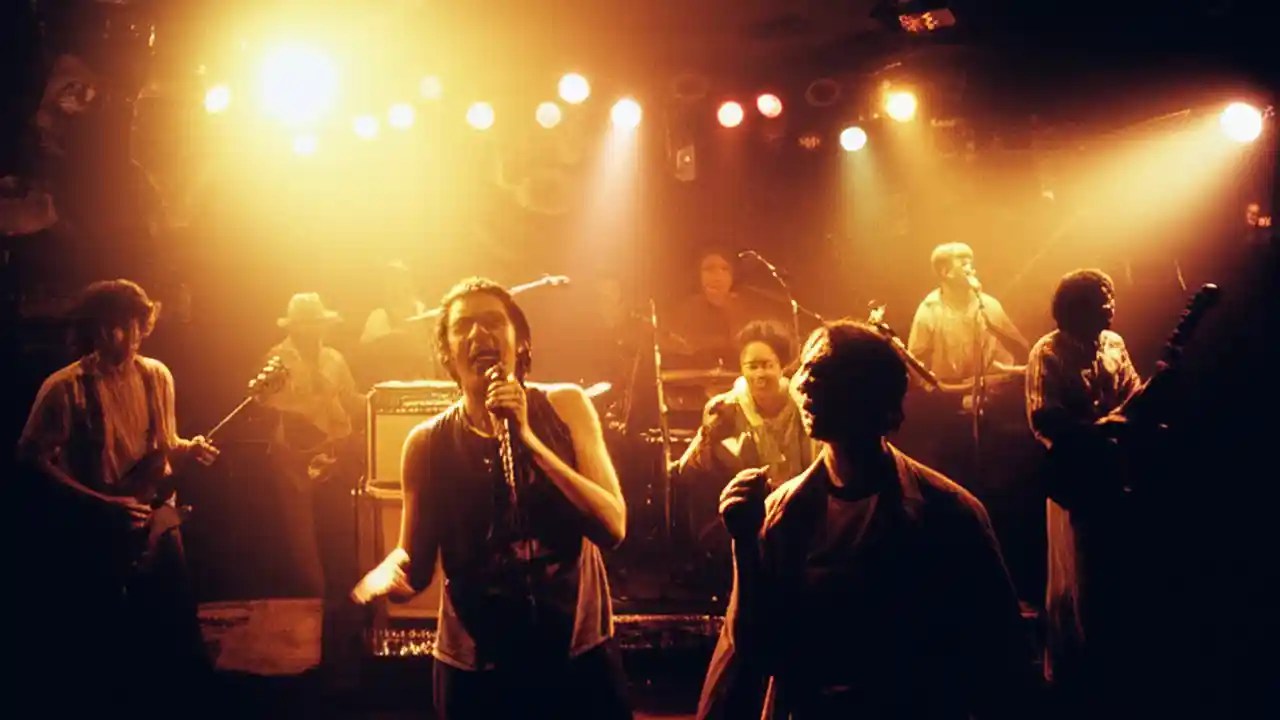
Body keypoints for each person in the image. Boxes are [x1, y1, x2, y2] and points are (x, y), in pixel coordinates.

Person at [709, 319, 1033, 719]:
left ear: (873, 397)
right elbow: (757, 648)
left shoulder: (949, 513)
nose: (805, 383)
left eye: (825, 372)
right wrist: (744, 542)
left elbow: (999, 656)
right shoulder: (782, 512)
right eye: (806, 369)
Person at [351, 277, 632, 720]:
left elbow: (612, 525)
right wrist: (386, 574)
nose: (479, 335)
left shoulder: (566, 407)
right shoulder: (427, 444)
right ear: (446, 352)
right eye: (463, 326)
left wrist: (528, 442)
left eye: (492, 322)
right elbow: (415, 568)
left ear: (520, 343)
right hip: (477, 666)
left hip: (578, 650)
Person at [15, 279, 219, 709]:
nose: (118, 338)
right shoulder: (64, 387)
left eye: (127, 326)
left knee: (176, 626)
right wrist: (99, 503)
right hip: (94, 530)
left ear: (144, 326)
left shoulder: (157, 376)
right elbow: (30, 458)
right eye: (107, 327)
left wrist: (189, 448)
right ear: (93, 329)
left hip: (157, 521)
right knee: (108, 642)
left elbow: (166, 442)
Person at [1025, 269, 1146, 716]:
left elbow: (1133, 395)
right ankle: (1075, 680)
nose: (1111, 305)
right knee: (1077, 578)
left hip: (1116, 476)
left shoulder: (1114, 346)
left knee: (1113, 576)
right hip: (1074, 481)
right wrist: (1102, 428)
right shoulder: (1048, 353)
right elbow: (1045, 421)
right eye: (1101, 298)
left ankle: (1115, 667)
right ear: (1074, 307)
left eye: (1111, 296)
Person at [259, 291, 365, 675]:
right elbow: (270, 406)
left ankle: (338, 630)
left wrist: (379, 403)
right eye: (308, 325)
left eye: (318, 324)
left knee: (338, 536)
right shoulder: (277, 360)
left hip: (333, 458)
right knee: (302, 539)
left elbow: (351, 400)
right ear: (296, 328)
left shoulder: (335, 358)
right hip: (295, 460)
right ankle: (312, 631)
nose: (314, 331)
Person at [665, 248, 790, 370]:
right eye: (709, 269)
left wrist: (729, 309)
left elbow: (747, 347)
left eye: (725, 269)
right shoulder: (687, 309)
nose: (717, 276)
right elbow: (679, 347)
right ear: (697, 274)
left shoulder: (745, 306)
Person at [357, 260, 439, 384]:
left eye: (402, 280)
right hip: (391, 384)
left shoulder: (423, 312)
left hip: (423, 381)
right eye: (393, 282)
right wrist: (397, 340)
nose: (399, 286)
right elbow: (365, 356)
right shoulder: (379, 316)